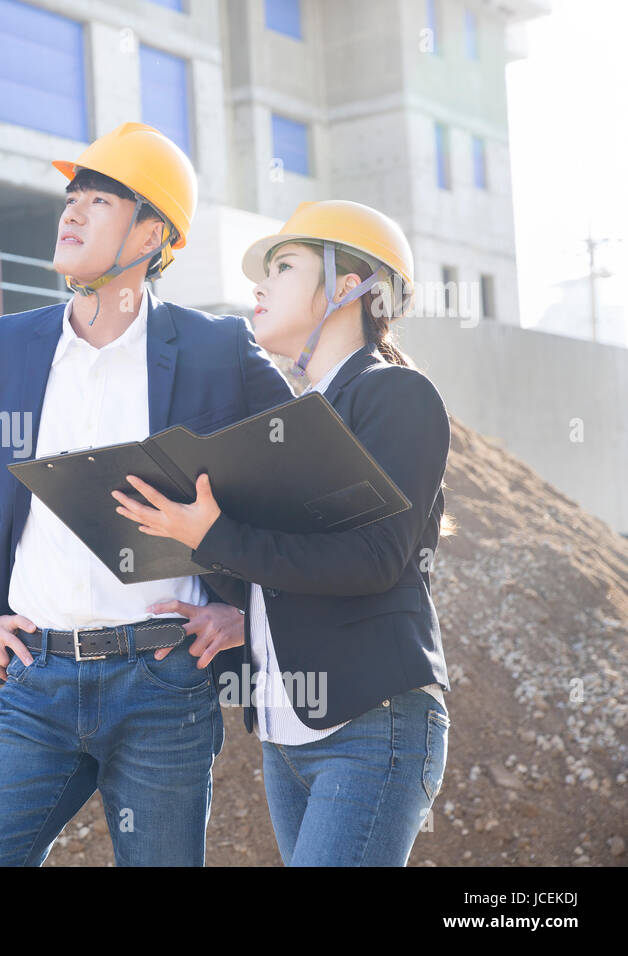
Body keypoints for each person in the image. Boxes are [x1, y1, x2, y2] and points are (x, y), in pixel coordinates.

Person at [0, 122, 294, 866]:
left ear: (153, 232)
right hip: (36, 682)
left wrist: (244, 609)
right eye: (71, 198)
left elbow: (299, 488)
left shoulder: (216, 350)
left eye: (98, 200)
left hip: (165, 686)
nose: (71, 214)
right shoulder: (9, 347)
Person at [112, 199, 454, 866]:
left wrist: (213, 535)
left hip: (372, 721)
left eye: (284, 266)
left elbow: (374, 559)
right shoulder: (298, 421)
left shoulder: (397, 396)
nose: (259, 286)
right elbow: (301, 565)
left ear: (352, 287)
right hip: (285, 736)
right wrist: (234, 610)